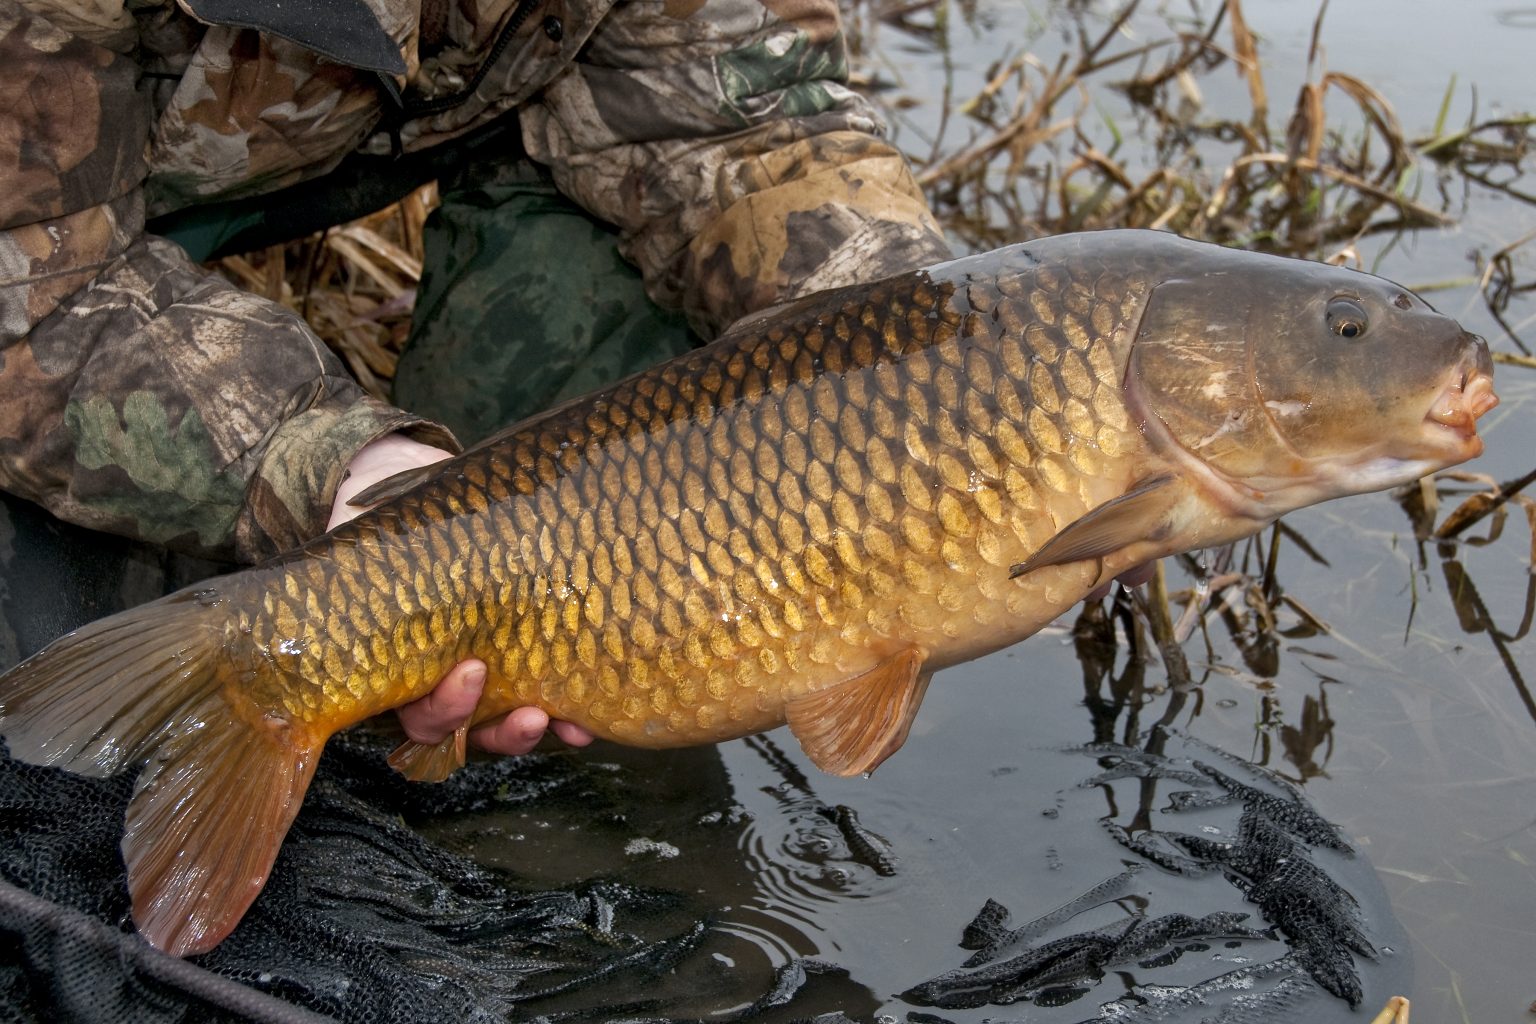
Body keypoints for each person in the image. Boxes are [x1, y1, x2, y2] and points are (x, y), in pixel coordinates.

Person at [0, 0, 953, 755]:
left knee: (656, 289)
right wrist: (327, 466)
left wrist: (954, 389)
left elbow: (751, 139)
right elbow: (24, 285)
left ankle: (533, 673)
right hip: (42, 232)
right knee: (49, 692)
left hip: (369, 145)